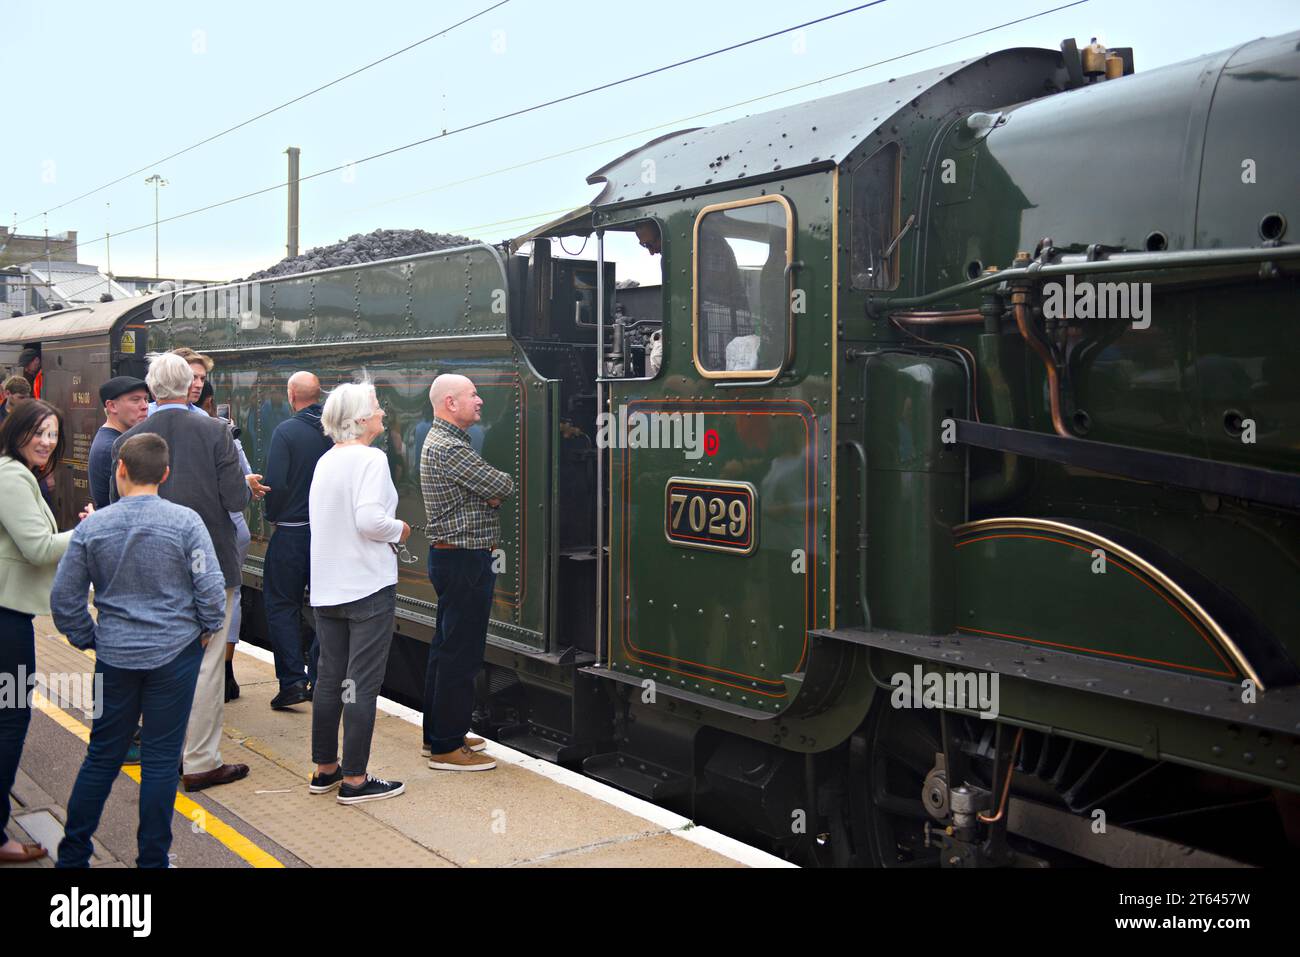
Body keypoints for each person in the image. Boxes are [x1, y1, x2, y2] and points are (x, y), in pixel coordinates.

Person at [51, 434, 227, 868]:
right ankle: (152, 859)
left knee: (102, 756)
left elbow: (64, 599)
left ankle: (73, 855)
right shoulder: (186, 523)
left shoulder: (93, 527)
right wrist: (205, 630)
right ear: (165, 474)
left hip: (115, 658)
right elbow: (211, 589)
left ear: (121, 470)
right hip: (175, 656)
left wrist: (90, 638)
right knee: (162, 762)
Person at [111, 353, 258, 793]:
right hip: (210, 562)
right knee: (207, 666)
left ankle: (163, 753)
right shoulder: (215, 432)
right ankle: (199, 762)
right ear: (188, 386)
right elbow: (236, 499)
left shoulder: (130, 439)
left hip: (150, 567)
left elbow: (116, 505)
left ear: (152, 388)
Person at [307, 380, 407, 804]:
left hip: (327, 588)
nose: (383, 412)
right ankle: (355, 779)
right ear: (362, 419)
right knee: (361, 684)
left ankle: (324, 769)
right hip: (367, 586)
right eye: (377, 407)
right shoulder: (371, 459)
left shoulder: (326, 460)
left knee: (330, 679)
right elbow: (369, 520)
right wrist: (399, 530)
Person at [419, 374, 513, 772]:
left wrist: (488, 493)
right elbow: (502, 485)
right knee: (461, 652)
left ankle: (442, 732)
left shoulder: (450, 443)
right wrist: (491, 494)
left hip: (455, 557)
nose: (480, 401)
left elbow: (491, 489)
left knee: (445, 649)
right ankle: (445, 747)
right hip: (464, 560)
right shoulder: (450, 448)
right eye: (473, 395)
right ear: (451, 402)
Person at [0, 399, 73, 863]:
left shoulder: (18, 472)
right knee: (9, 720)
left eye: (52, 433)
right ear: (18, 431)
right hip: (4, 616)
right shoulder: (11, 476)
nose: (46, 441)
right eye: (39, 432)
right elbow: (39, 548)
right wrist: (92, 530)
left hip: (10, 613)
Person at [263, 371, 330, 710]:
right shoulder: (337, 433)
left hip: (291, 531)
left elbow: (275, 482)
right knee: (327, 607)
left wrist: (272, 514)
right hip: (328, 537)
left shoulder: (286, 432)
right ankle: (320, 678)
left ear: (291, 395)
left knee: (281, 604)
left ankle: (292, 681)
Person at [196, 379, 254, 702]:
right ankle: (226, 672)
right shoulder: (223, 431)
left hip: (210, 532)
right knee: (231, 598)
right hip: (230, 530)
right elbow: (241, 485)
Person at [88, 377, 150, 509]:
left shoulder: (115, 441)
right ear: (112, 406)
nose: (145, 406)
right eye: (135, 400)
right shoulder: (112, 447)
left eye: (145, 399)